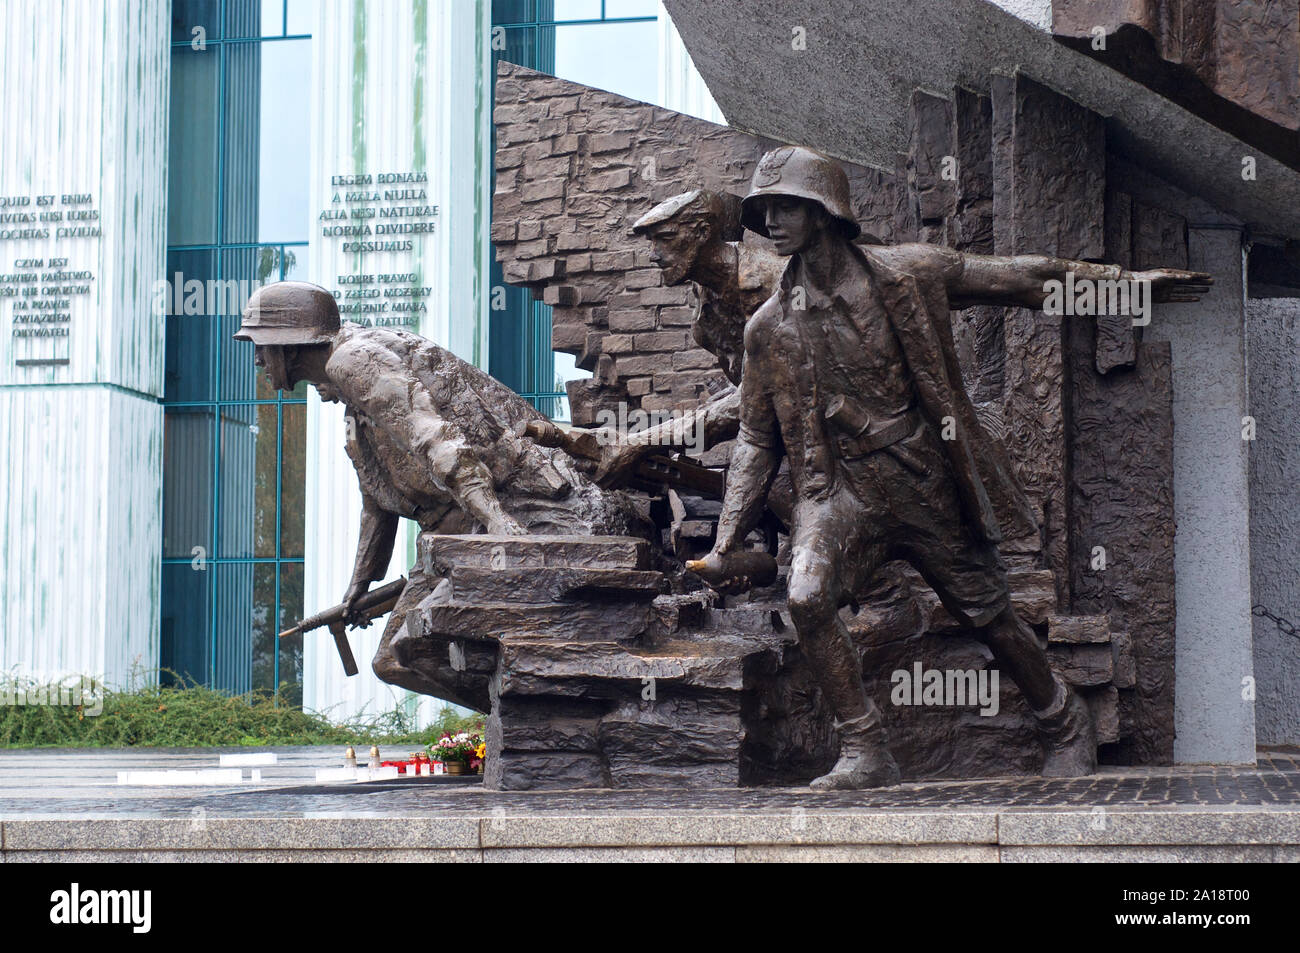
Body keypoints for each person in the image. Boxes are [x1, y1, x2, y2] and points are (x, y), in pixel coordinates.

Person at [694, 145, 1210, 789]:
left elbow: (1018, 280)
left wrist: (1122, 287)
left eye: (786, 205)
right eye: (762, 208)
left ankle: (1062, 716)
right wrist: (726, 539)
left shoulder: (908, 274)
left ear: (826, 212)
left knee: (987, 613)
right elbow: (755, 438)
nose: (770, 219)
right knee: (806, 598)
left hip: (920, 479)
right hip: (837, 494)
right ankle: (866, 749)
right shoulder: (767, 327)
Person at [234, 282, 636, 711]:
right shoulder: (355, 414)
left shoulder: (354, 360)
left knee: (428, 646)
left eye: (260, 345)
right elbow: (376, 503)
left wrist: (499, 523)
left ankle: (552, 714)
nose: (257, 358)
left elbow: (435, 438)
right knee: (392, 661)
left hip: (517, 503)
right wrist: (359, 585)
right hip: (454, 529)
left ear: (290, 344)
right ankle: (526, 716)